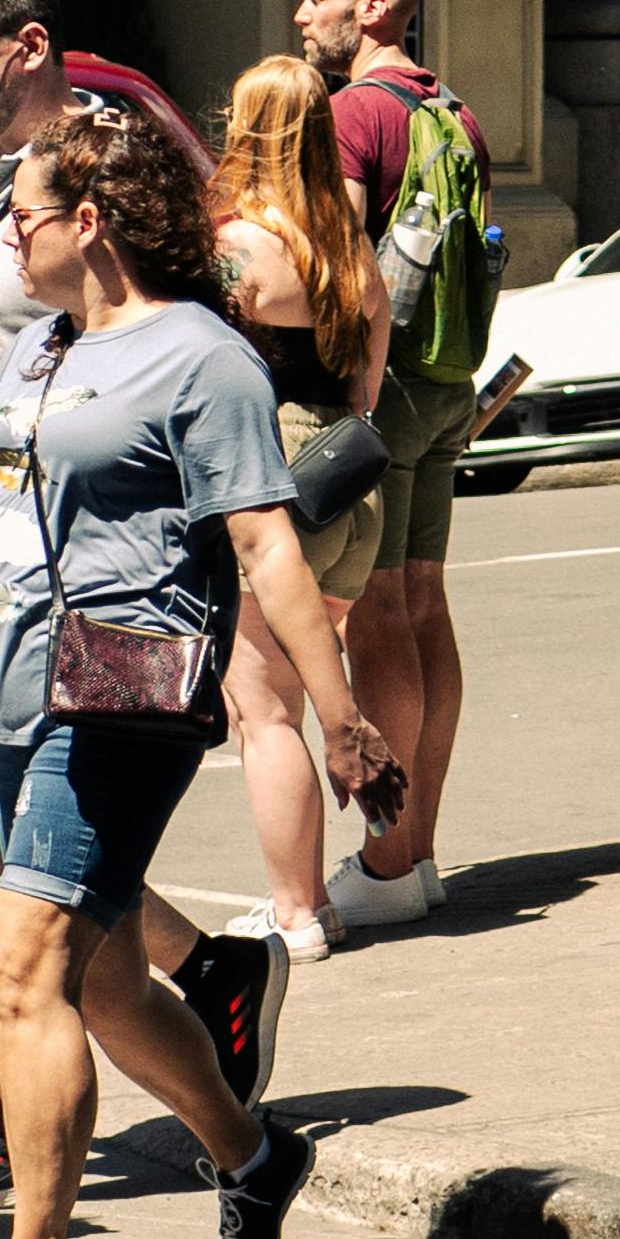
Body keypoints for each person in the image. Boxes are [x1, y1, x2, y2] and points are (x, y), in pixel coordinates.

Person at [0, 100, 386, 1239]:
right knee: (112, 980)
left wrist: (338, 714)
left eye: (21, 219)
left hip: (122, 690)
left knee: (22, 965)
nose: (6, 243)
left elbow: (264, 543)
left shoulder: (202, 358)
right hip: (13, 684)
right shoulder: (43, 349)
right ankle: (254, 1151)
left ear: (92, 222)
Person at [0, 0, 281, 1222]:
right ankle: (207, 974)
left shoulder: (87, 174)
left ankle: (6, 1119)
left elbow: (192, 313)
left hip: (35, 581)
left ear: (30, 46)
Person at [296, 0, 495, 931]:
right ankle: (418, 856)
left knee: (374, 610)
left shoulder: (355, 113)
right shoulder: (450, 112)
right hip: (450, 378)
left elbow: (346, 264)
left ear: (373, 8)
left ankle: (381, 864)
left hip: (385, 389)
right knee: (421, 600)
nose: (302, 15)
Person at [205, 57, 389, 961]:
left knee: (264, 709)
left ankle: (292, 914)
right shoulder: (351, 249)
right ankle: (316, 894)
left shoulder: (241, 246)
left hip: (279, 476)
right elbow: (368, 384)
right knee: (315, 692)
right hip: (352, 483)